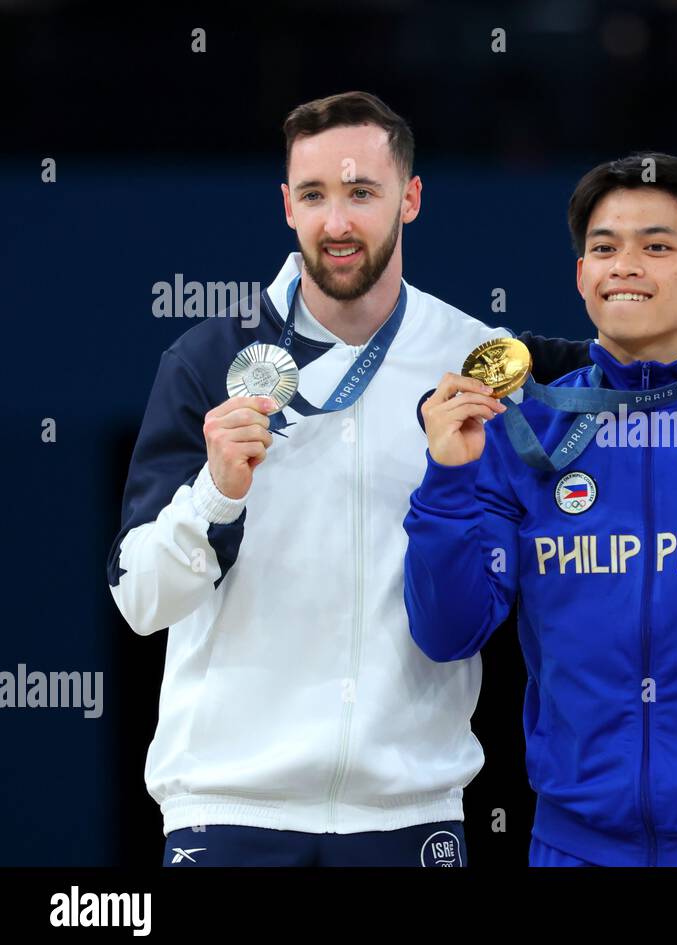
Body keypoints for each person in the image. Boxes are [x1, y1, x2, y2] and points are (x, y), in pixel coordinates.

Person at [107, 91, 588, 866]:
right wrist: (216, 493)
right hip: (228, 810)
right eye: (315, 195)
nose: (337, 222)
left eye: (362, 192)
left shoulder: (477, 361)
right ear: (286, 207)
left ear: (411, 196)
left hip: (410, 812)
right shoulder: (207, 361)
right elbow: (140, 601)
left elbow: (631, 370)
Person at [404, 153, 677, 867]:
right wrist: (449, 480)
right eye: (604, 248)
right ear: (581, 274)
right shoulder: (522, 429)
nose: (624, 265)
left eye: (658, 246)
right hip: (571, 844)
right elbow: (448, 632)